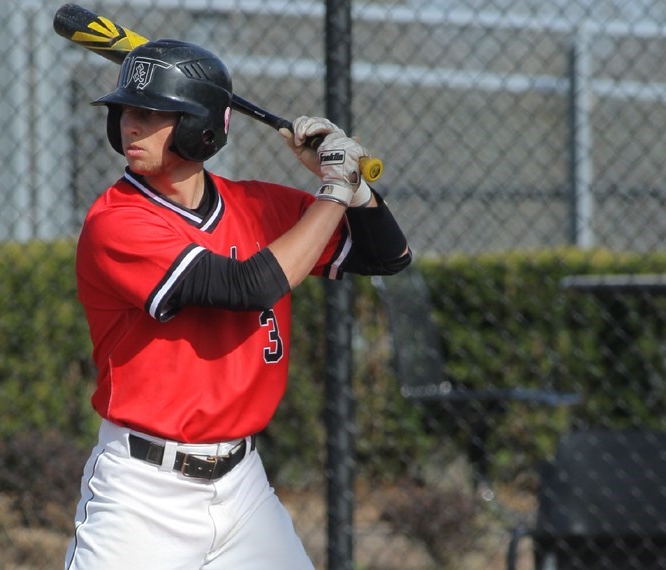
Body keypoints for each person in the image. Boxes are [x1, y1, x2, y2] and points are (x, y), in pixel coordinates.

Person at [66, 39, 411, 570]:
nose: (131, 126)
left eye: (152, 113)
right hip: (142, 495)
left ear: (201, 126)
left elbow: (386, 255)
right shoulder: (117, 221)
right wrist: (333, 191)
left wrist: (357, 191)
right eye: (126, 111)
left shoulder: (255, 204)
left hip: (243, 487)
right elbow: (245, 287)